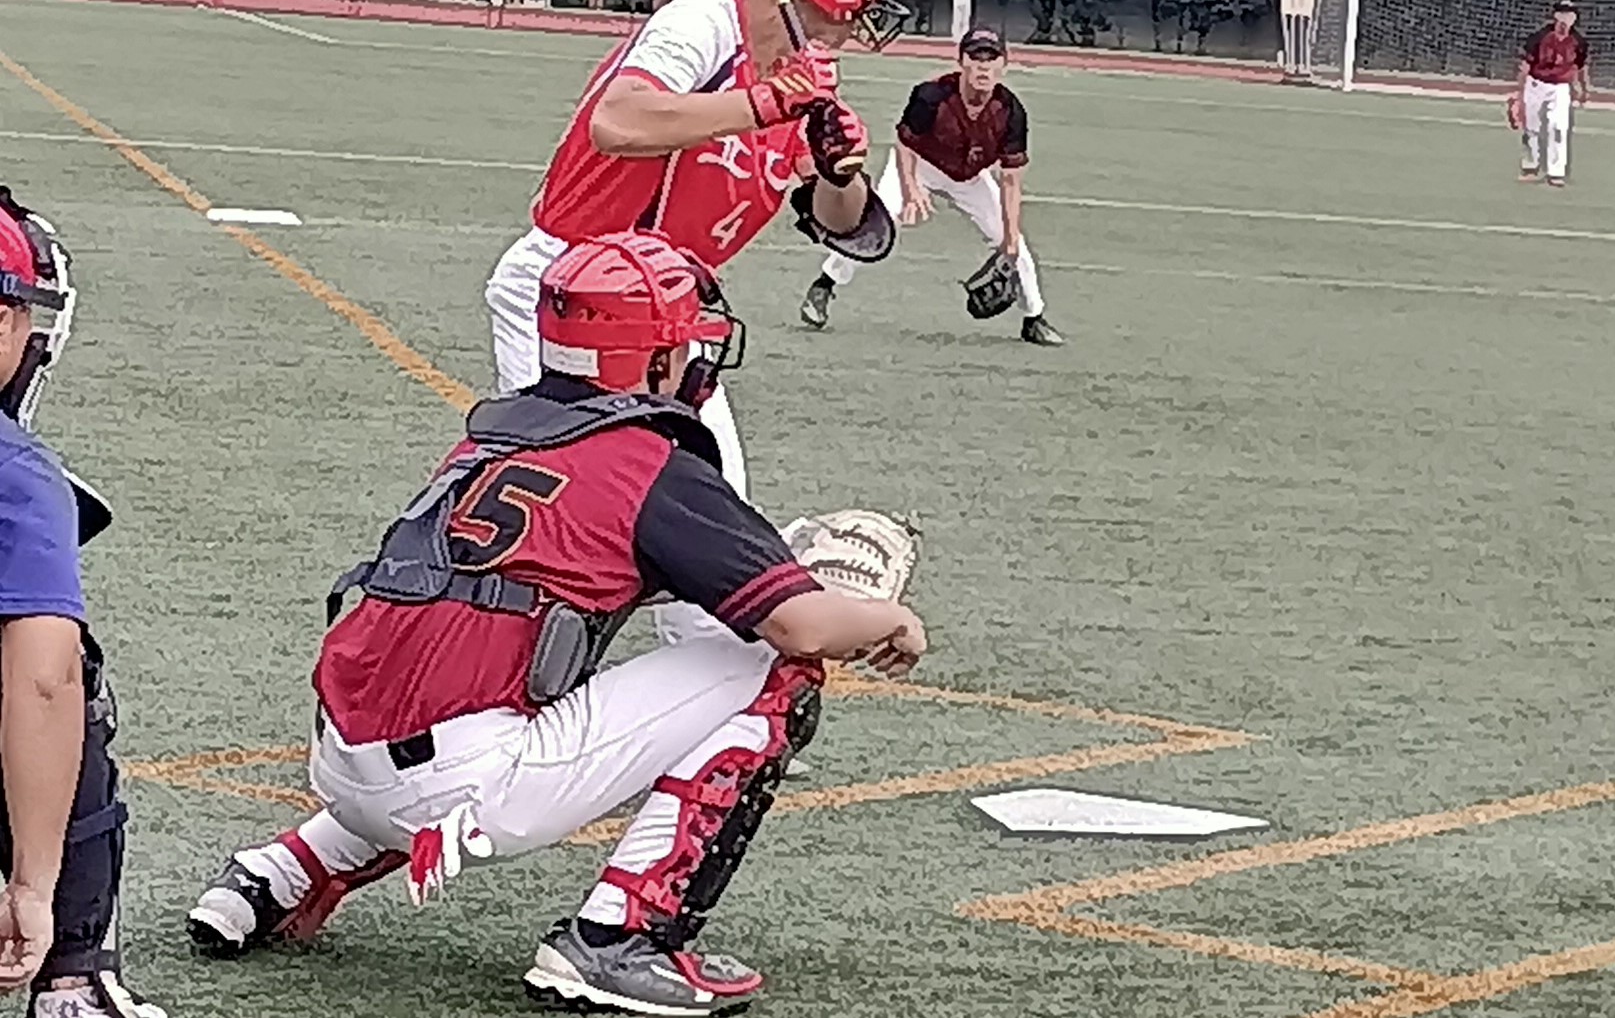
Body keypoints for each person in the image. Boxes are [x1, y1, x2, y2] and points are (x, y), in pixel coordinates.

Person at [187, 233, 929, 1016]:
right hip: (457, 784)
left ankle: (278, 871)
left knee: (454, 693)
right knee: (770, 669)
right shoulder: (653, 465)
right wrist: (891, 616)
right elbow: (801, 628)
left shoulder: (494, 437)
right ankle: (619, 939)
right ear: (654, 359)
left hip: (342, 759)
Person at [485, 0, 910, 498]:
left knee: (715, 526)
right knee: (580, 505)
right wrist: (764, 103)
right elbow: (618, 121)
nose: (871, 10)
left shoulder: (803, 77)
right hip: (572, 288)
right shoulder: (703, 25)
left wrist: (838, 169)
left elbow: (847, 226)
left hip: (669, 311)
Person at [0, 192, 161, 1018]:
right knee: (68, 678)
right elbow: (44, 681)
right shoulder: (17, 478)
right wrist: (33, 886)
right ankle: (73, 972)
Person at [801, 28, 1063, 346]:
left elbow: (1011, 181)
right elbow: (905, 144)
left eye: (991, 57)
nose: (983, 66)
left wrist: (1008, 240)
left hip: (969, 177)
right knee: (878, 222)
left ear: (1003, 64)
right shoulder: (932, 95)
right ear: (962, 61)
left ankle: (1034, 318)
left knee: (1016, 245)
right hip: (921, 164)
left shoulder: (1010, 112)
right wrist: (911, 189)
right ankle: (825, 284)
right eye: (976, 57)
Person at [1511, 0, 1591, 187]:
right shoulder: (1540, 37)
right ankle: (1530, 168)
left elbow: (1581, 67)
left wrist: (1584, 88)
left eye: (1570, 14)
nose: (1566, 18)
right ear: (1555, 16)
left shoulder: (1578, 41)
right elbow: (1525, 66)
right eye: (1562, 13)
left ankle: (1556, 173)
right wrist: (1519, 94)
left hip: (1560, 87)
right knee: (1532, 128)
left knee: (1559, 128)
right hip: (1536, 84)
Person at [1277, 0, 1317, 81]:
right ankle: (1292, 65)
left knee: (1303, 38)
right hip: (1291, 11)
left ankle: (1303, 65)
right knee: (1293, 36)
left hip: (1303, 12)